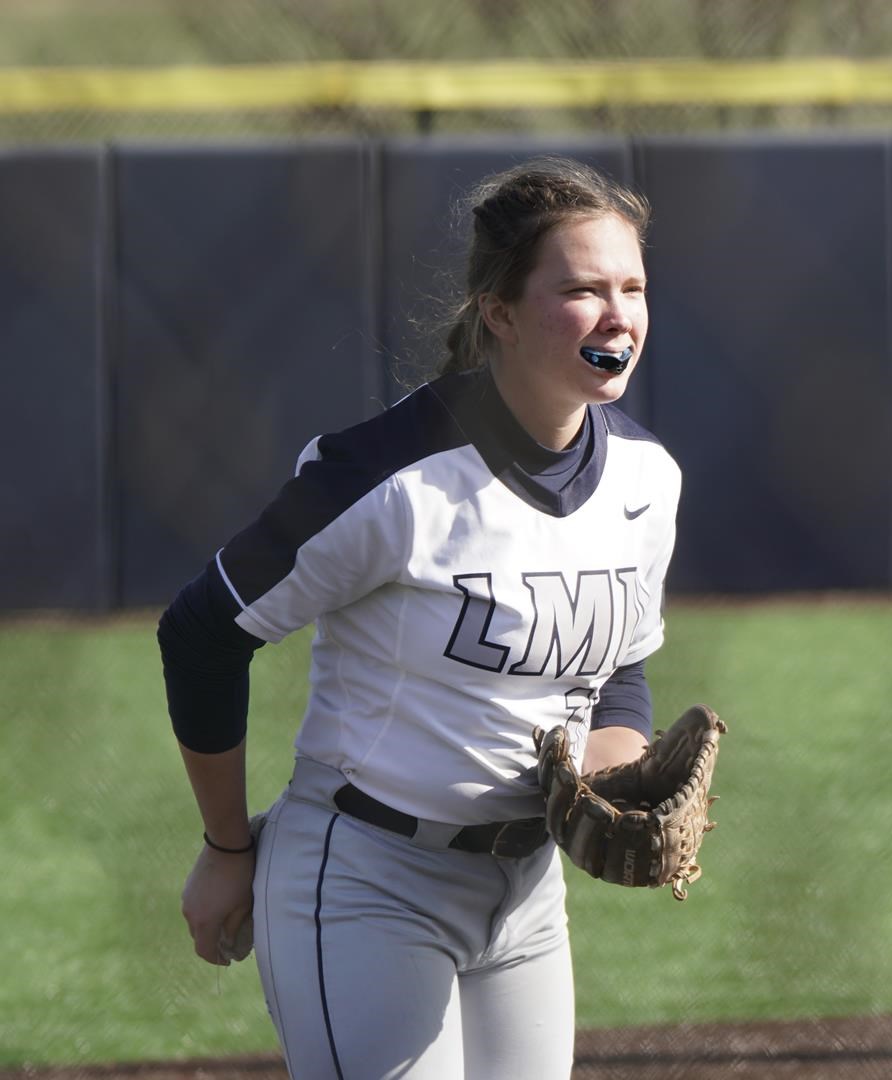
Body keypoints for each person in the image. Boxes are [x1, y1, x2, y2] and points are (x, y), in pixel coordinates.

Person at [157, 157, 677, 1079]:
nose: (618, 315)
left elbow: (620, 671)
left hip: (525, 889)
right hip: (365, 881)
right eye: (582, 289)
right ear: (501, 312)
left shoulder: (646, 478)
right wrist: (225, 847)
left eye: (632, 288)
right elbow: (203, 628)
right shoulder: (389, 477)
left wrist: (619, 754)